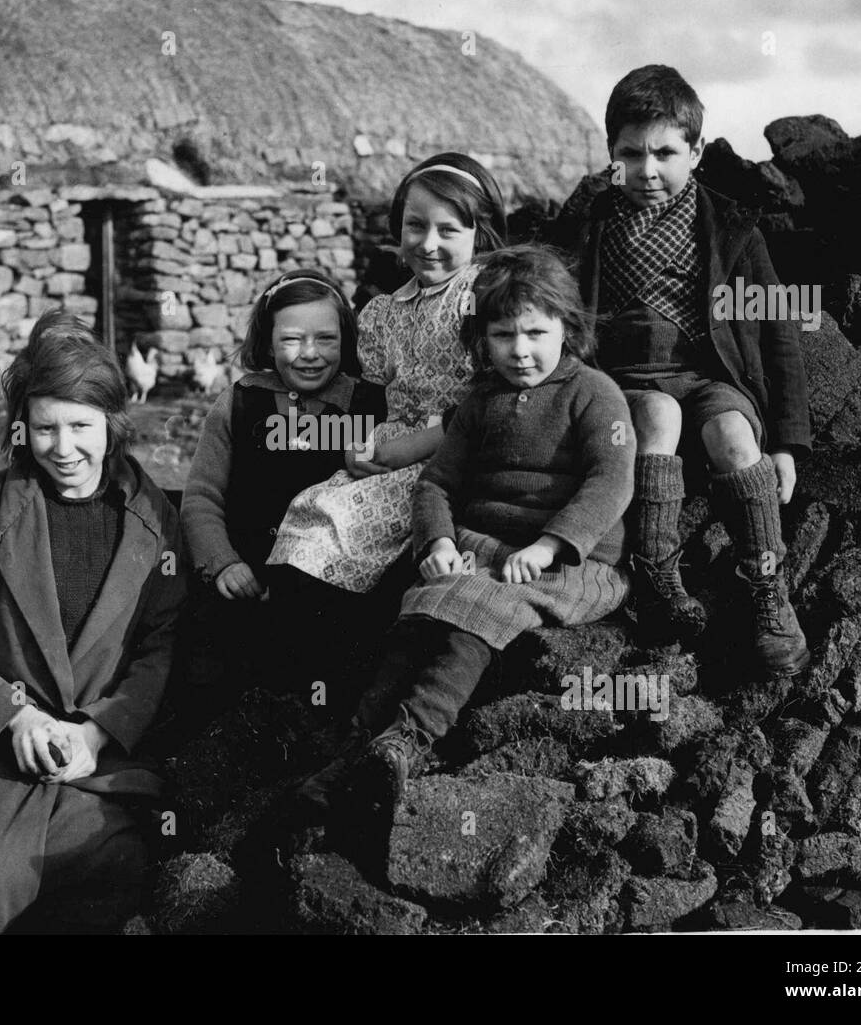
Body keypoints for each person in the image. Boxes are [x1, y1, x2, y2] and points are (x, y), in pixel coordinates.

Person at [297, 245, 635, 813]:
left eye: (535, 333)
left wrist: (550, 544)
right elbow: (436, 483)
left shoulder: (594, 394)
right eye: (503, 335)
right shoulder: (481, 401)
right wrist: (439, 541)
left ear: (567, 329)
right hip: (484, 548)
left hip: (573, 563)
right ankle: (354, 749)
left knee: (471, 616)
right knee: (419, 615)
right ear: (483, 338)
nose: (520, 351)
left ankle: (411, 740)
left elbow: (611, 480)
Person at [0, 310, 185, 934]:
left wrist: (97, 733)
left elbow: (161, 646)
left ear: (113, 425)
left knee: (114, 863)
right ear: (22, 428)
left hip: (96, 757)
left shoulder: (155, 516)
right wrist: (16, 719)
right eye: (44, 429)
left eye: (81, 427)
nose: (63, 450)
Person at [565, 63, 811, 675]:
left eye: (666, 153)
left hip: (710, 375)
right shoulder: (590, 223)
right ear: (610, 153)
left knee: (731, 436)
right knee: (656, 415)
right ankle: (657, 580)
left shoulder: (732, 231)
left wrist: (785, 442)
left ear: (697, 151)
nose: (648, 171)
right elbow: (547, 302)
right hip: (624, 380)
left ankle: (767, 590)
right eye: (631, 154)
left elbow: (778, 331)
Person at [265, 153, 508, 632]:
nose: (428, 244)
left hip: (453, 455)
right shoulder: (384, 311)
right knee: (306, 507)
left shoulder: (486, 298)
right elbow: (375, 399)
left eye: (448, 230)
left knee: (333, 519)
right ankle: (296, 665)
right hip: (392, 448)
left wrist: (403, 450)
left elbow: (488, 404)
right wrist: (363, 444)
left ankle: (326, 661)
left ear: (479, 233)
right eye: (415, 226)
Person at [177, 269, 386, 705]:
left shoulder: (370, 405)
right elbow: (201, 497)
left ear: (347, 340)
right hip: (244, 582)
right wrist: (223, 564)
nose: (309, 354)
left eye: (326, 339)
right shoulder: (240, 401)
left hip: (332, 590)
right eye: (291, 339)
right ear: (268, 341)